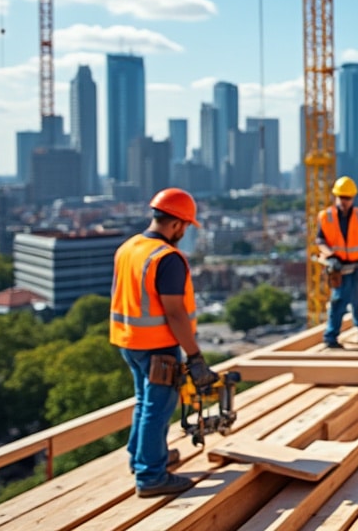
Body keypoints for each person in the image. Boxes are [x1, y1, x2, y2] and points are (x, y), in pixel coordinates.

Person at [110, 188, 218, 497]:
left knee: (145, 403)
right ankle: (150, 476)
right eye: (185, 226)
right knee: (158, 408)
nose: (184, 232)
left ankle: (142, 457)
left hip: (129, 341)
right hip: (157, 345)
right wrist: (195, 356)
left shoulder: (129, 247)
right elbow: (175, 312)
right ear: (177, 224)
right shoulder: (168, 259)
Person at [317, 176, 358, 349]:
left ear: (353, 198)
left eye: (347, 198)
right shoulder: (326, 216)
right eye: (341, 197)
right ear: (336, 197)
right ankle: (330, 338)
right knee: (338, 302)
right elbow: (320, 241)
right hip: (339, 268)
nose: (344, 201)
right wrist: (331, 256)